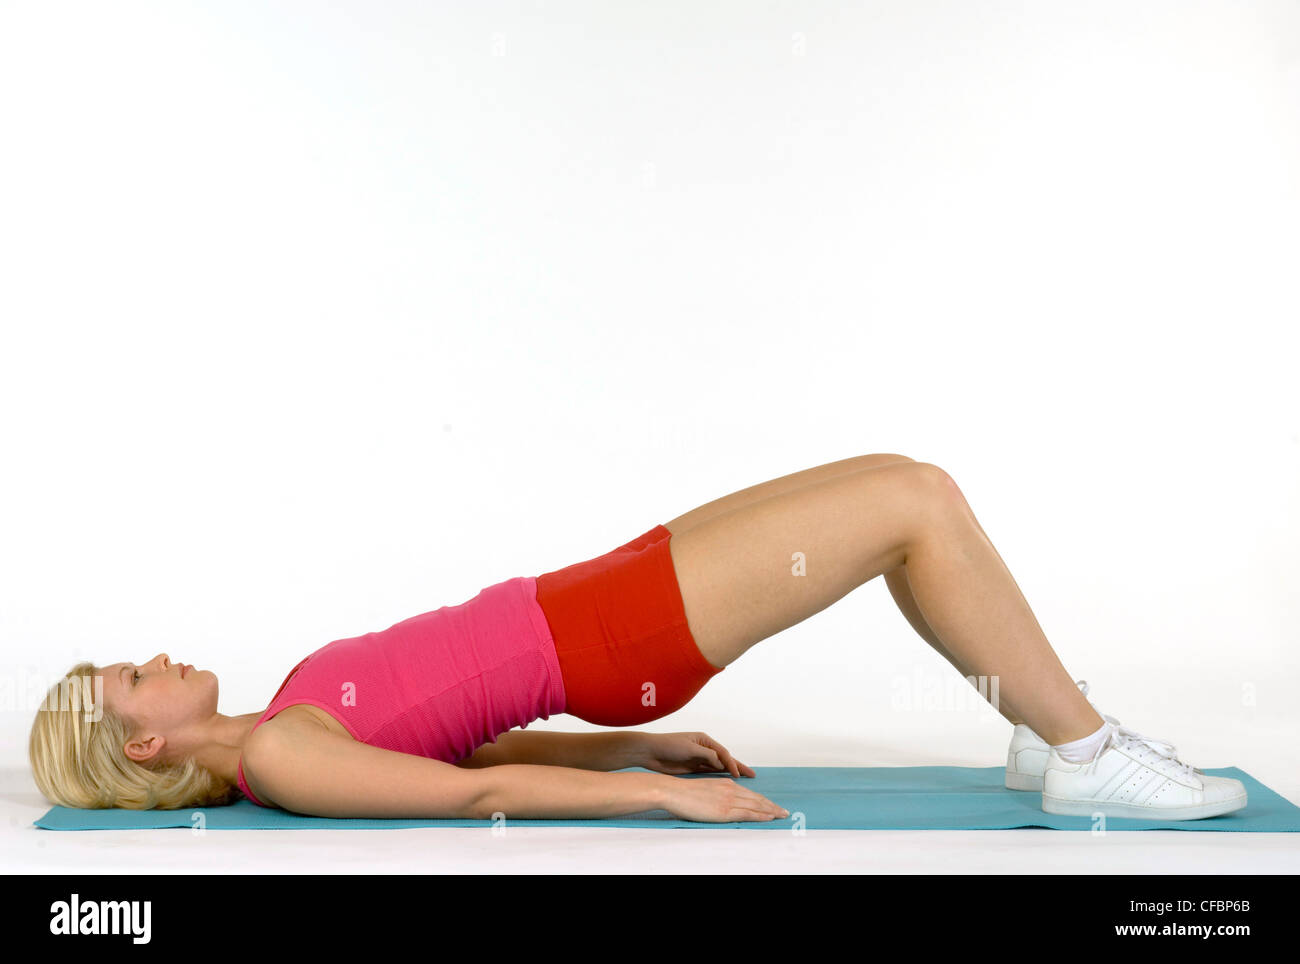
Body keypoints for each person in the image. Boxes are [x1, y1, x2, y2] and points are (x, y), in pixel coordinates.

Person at [29, 453, 1246, 823]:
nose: (162, 654)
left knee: (896, 498)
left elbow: (465, 738)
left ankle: (1037, 724)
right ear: (141, 746)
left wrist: (636, 752)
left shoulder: (287, 699)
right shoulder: (283, 758)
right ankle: (1085, 749)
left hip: (602, 592)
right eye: (138, 676)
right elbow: (471, 795)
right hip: (619, 634)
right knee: (912, 502)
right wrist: (661, 804)